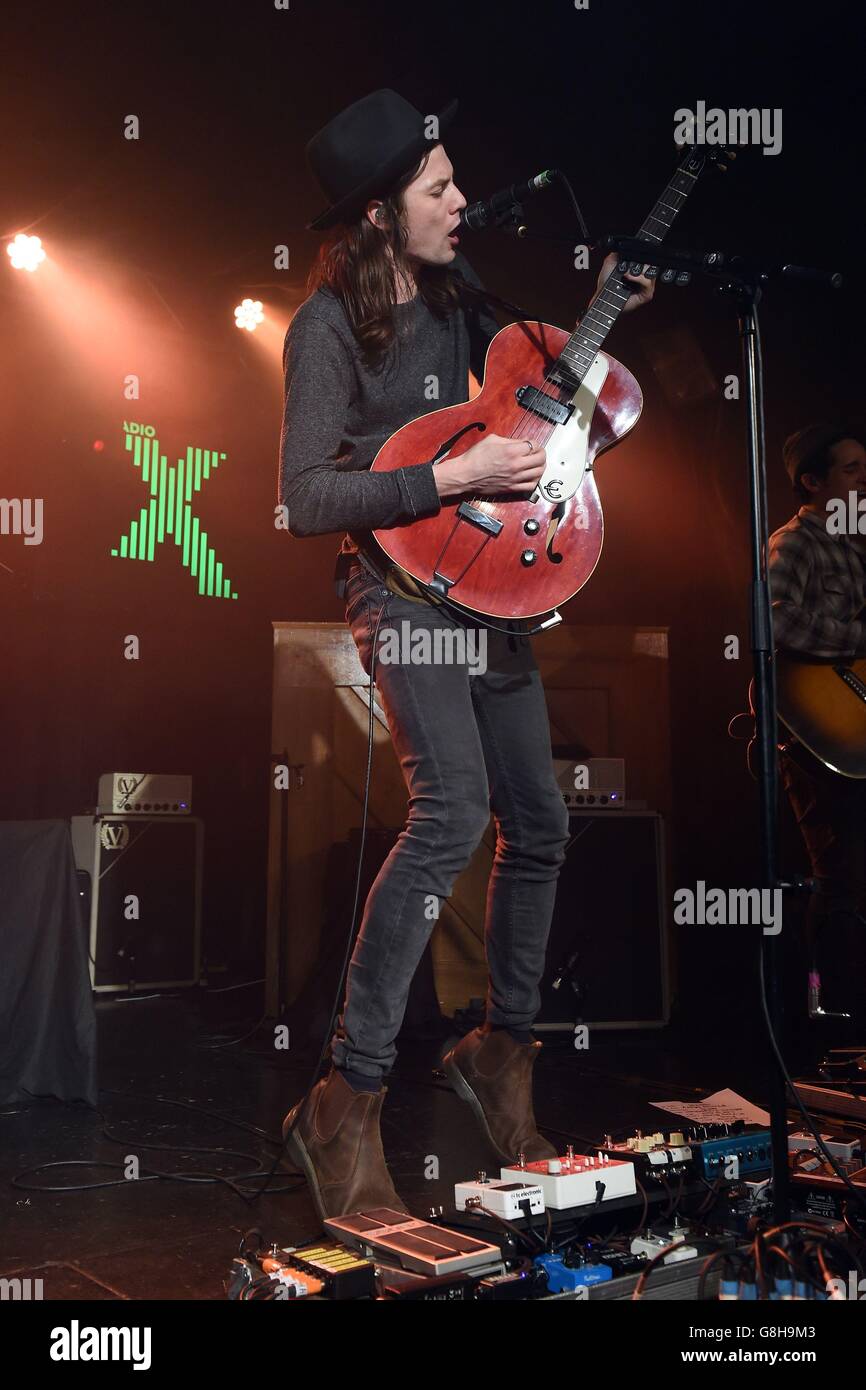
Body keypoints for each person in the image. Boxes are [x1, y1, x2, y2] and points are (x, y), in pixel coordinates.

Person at [278, 89, 654, 1222]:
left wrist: (595, 317)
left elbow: (532, 416)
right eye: (436, 188)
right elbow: (302, 498)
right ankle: (345, 1099)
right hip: (396, 590)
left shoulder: (463, 306)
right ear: (381, 213)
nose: (459, 202)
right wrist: (445, 479)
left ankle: (501, 1052)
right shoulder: (327, 328)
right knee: (450, 815)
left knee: (536, 819)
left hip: (488, 593)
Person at [768, 423, 866, 1026]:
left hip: (851, 721)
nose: (865, 480)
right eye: (853, 469)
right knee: (841, 874)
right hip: (810, 728)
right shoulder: (796, 542)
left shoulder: (855, 544)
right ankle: (831, 1019)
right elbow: (773, 621)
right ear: (814, 481)